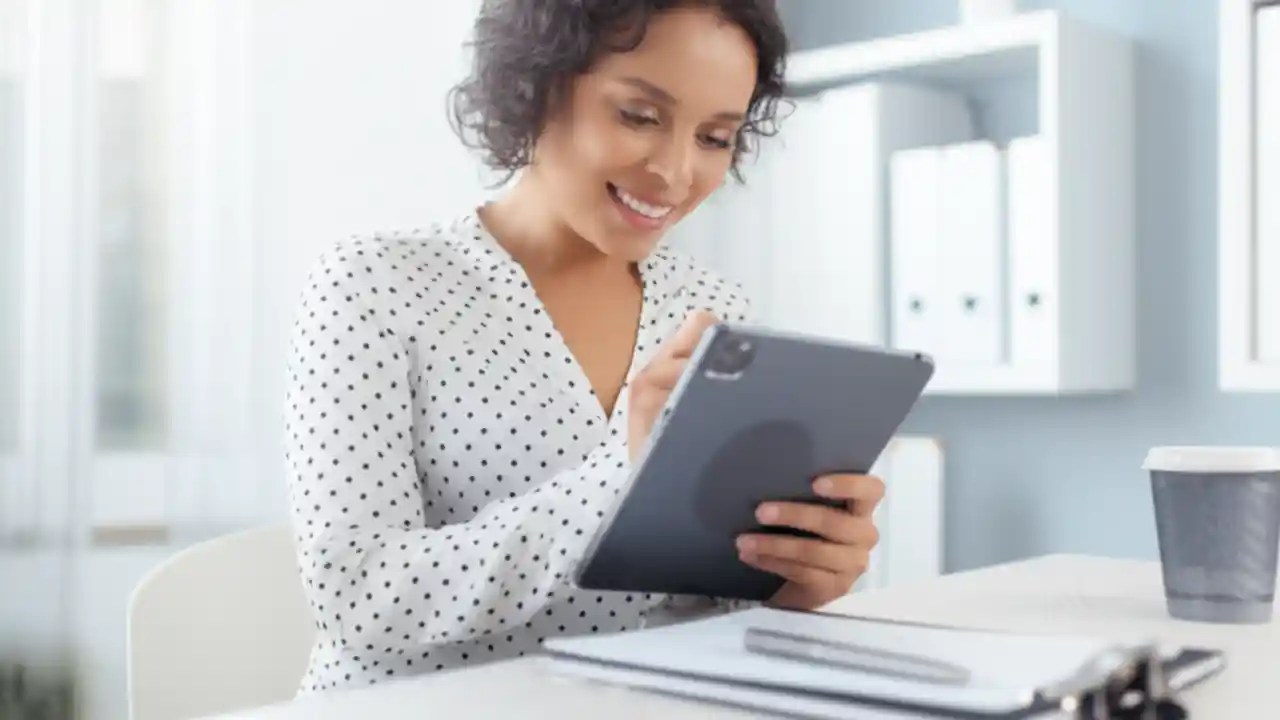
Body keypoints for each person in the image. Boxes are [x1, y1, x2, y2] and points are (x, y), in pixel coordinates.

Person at [284, 0, 884, 694]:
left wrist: (791, 586)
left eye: (716, 137)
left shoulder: (711, 314)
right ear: (534, 86)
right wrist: (618, 478)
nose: (676, 172)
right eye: (639, 115)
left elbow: (694, 605)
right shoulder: (374, 285)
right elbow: (359, 599)